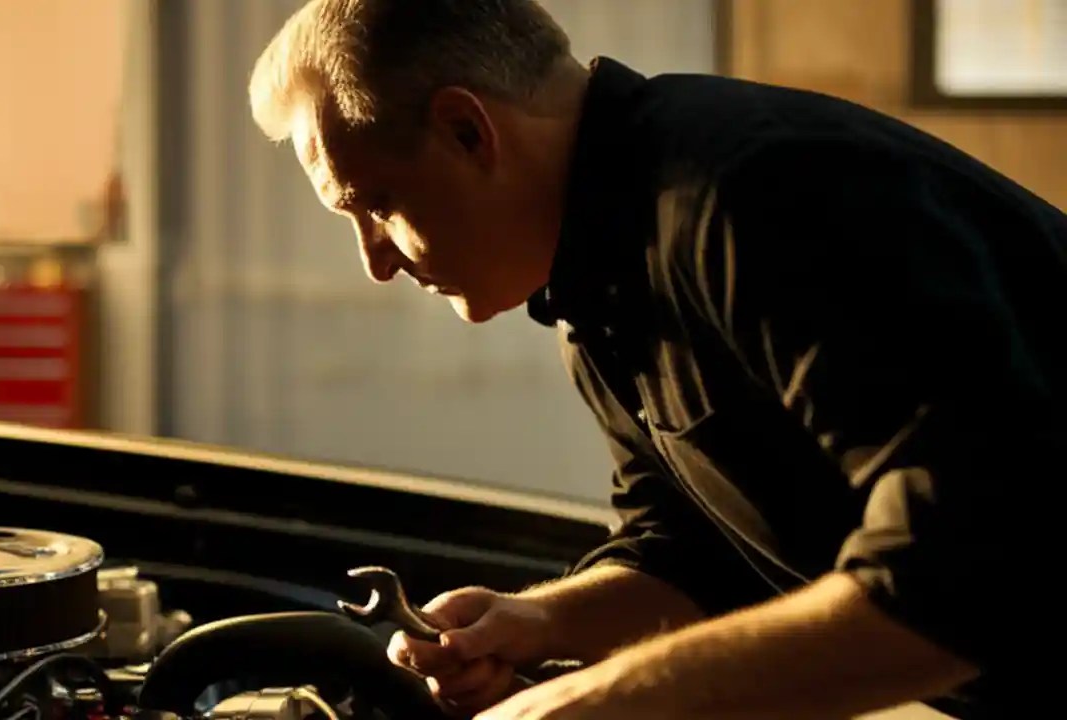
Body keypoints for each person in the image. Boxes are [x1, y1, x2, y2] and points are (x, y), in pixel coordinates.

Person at [247, 1, 1065, 718]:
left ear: (469, 131)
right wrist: (540, 622)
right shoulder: (598, 272)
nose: (376, 261)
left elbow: (979, 575)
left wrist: (604, 699)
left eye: (376, 207)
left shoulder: (756, 197)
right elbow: (693, 550)